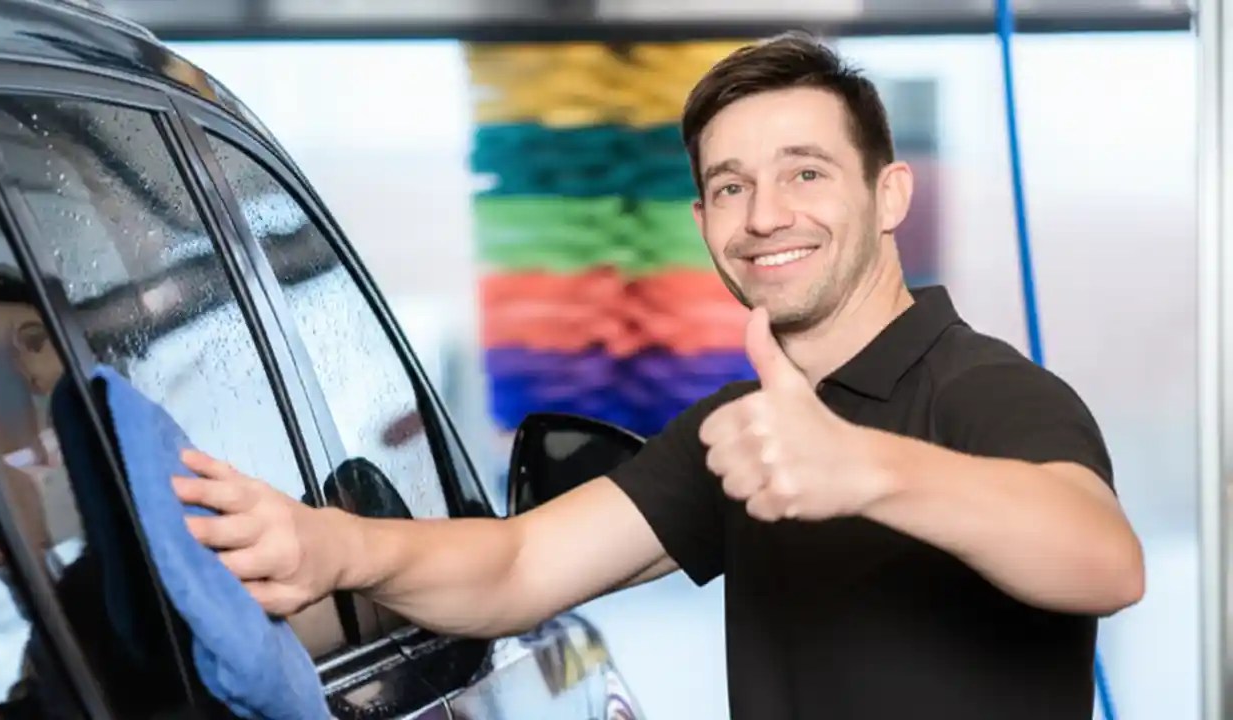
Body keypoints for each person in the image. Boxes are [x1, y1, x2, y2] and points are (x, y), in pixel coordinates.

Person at [174, 31, 1145, 719]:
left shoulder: (982, 389)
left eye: (805, 172)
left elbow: (1103, 560)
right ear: (702, 222)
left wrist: (869, 469)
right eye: (730, 185)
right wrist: (333, 548)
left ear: (887, 194)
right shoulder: (741, 425)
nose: (764, 214)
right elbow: (519, 567)